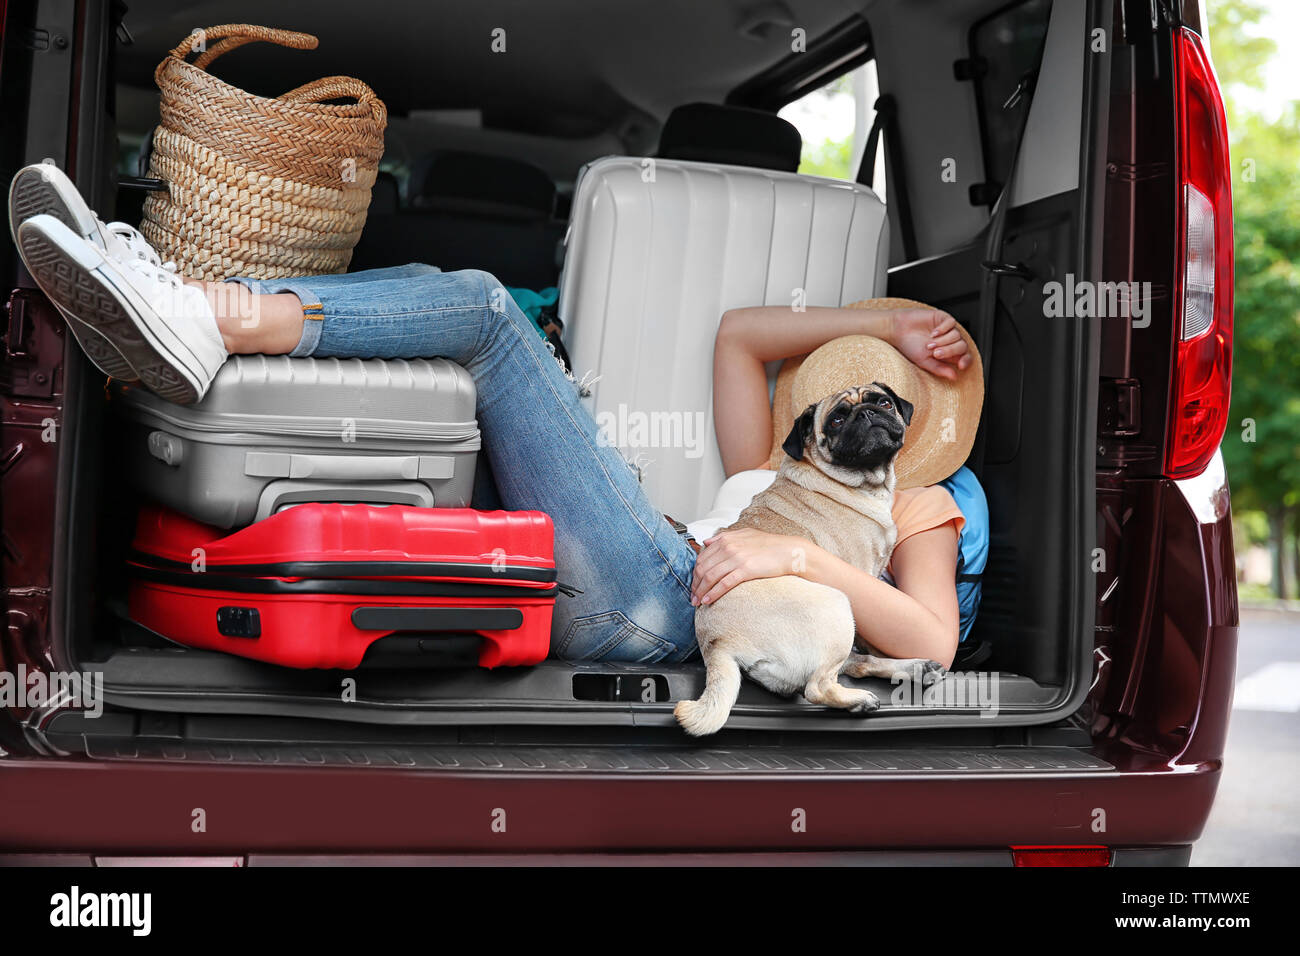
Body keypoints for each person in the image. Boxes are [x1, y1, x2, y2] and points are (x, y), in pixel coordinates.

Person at [8, 162, 983, 669]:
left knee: (479, 308)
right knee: (436, 285)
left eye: (880, 389)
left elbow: (934, 643)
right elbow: (737, 335)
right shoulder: (781, 458)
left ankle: (199, 311)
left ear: (920, 422)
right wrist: (884, 318)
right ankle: (187, 299)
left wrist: (792, 556)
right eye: (841, 379)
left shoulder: (918, 500)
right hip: (642, 562)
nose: (847, 397)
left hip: (668, 607)